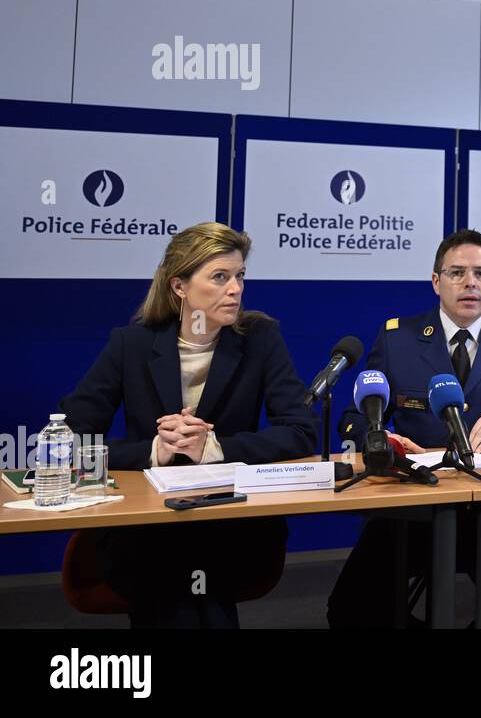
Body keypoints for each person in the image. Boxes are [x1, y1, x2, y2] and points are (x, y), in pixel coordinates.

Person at [60, 222, 318, 628]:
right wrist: (154, 452)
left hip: (228, 530)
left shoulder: (260, 338)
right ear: (179, 286)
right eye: (220, 277)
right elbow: (69, 440)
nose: (236, 289)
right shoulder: (132, 344)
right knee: (182, 598)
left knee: (189, 597)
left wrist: (213, 450)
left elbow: (302, 431)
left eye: (239, 276)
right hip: (145, 532)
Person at [327, 229, 481, 629]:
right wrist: (381, 436)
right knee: (352, 607)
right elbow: (355, 416)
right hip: (413, 507)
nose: (470, 282)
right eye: (457, 273)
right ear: (436, 282)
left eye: (480, 273)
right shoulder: (398, 339)